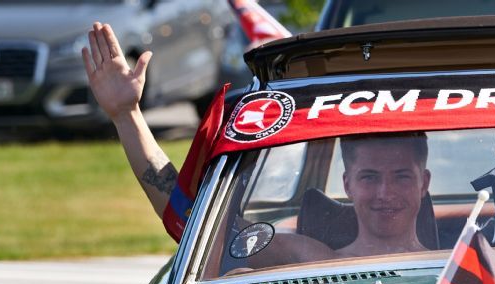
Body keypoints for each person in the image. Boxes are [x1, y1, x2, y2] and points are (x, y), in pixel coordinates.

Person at [83, 23, 431, 257]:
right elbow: (193, 223)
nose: (385, 193)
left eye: (402, 176)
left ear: (424, 183)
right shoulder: (308, 258)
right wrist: (126, 115)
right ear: (348, 183)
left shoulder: (458, 271)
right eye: (370, 176)